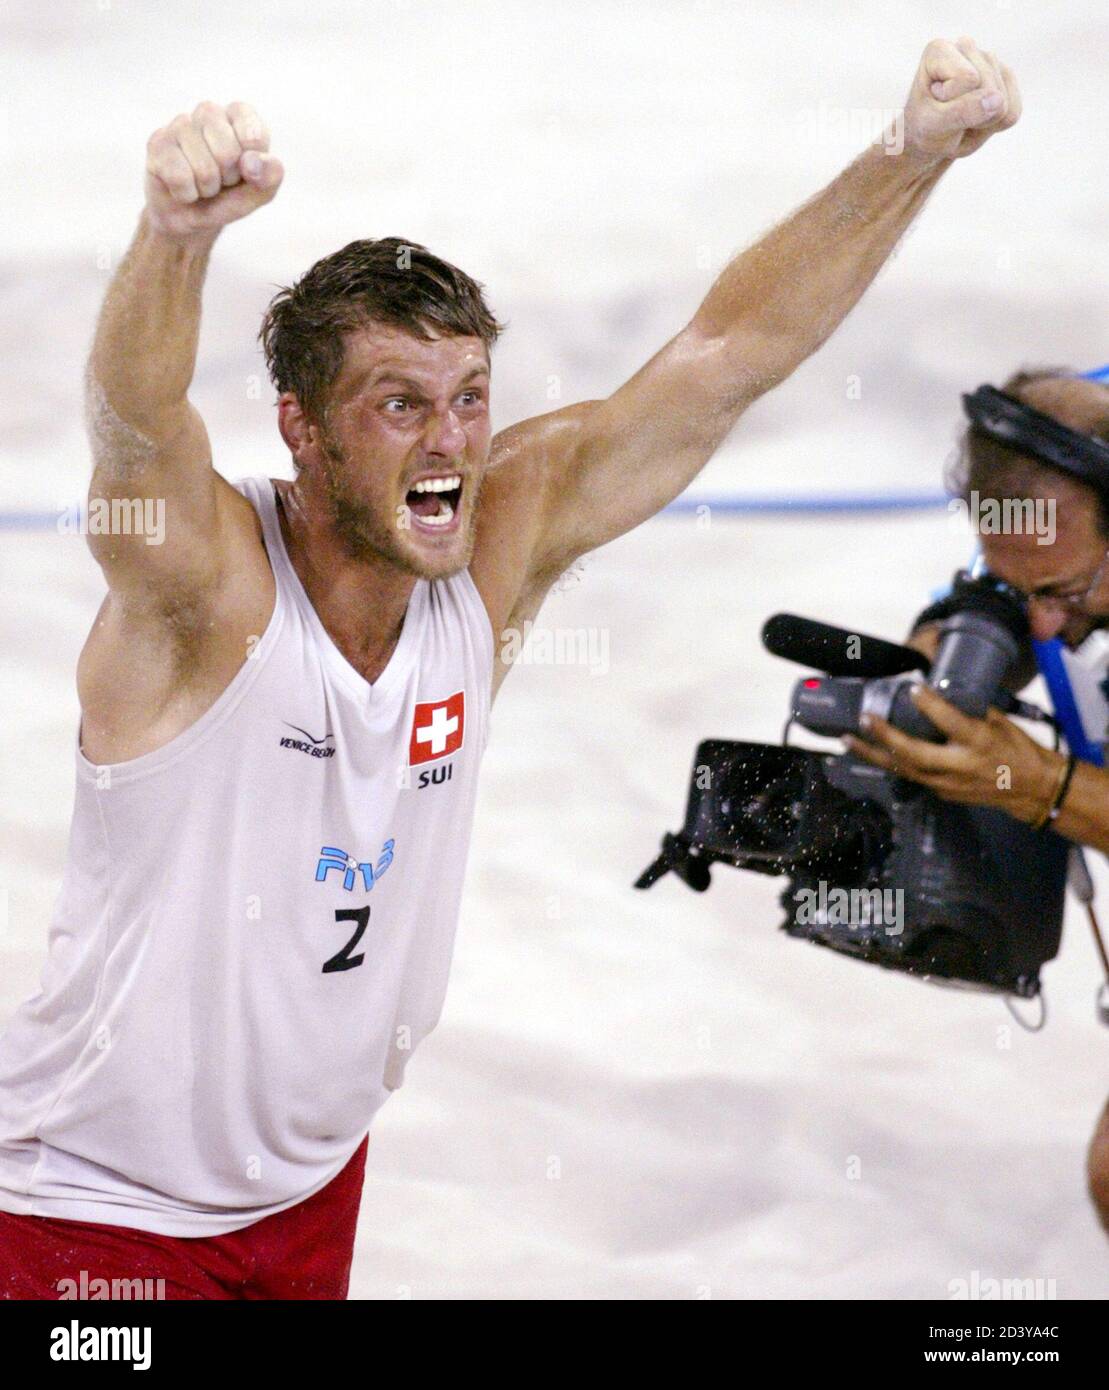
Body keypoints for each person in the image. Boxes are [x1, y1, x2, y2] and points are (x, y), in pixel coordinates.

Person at [0, 38, 1021, 1299]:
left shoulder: (493, 549)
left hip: (310, 1194)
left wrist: (904, 158)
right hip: (93, 1222)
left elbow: (724, 355)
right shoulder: (206, 591)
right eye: (399, 404)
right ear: (302, 430)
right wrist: (172, 237)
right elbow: (134, 430)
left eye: (469, 396)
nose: (451, 442)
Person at [844, 367, 1109, 1234]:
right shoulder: (1052, 492)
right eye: (1019, 587)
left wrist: (1039, 786)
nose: (1043, 623)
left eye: (1062, 594)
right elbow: (993, 600)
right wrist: (935, 673)